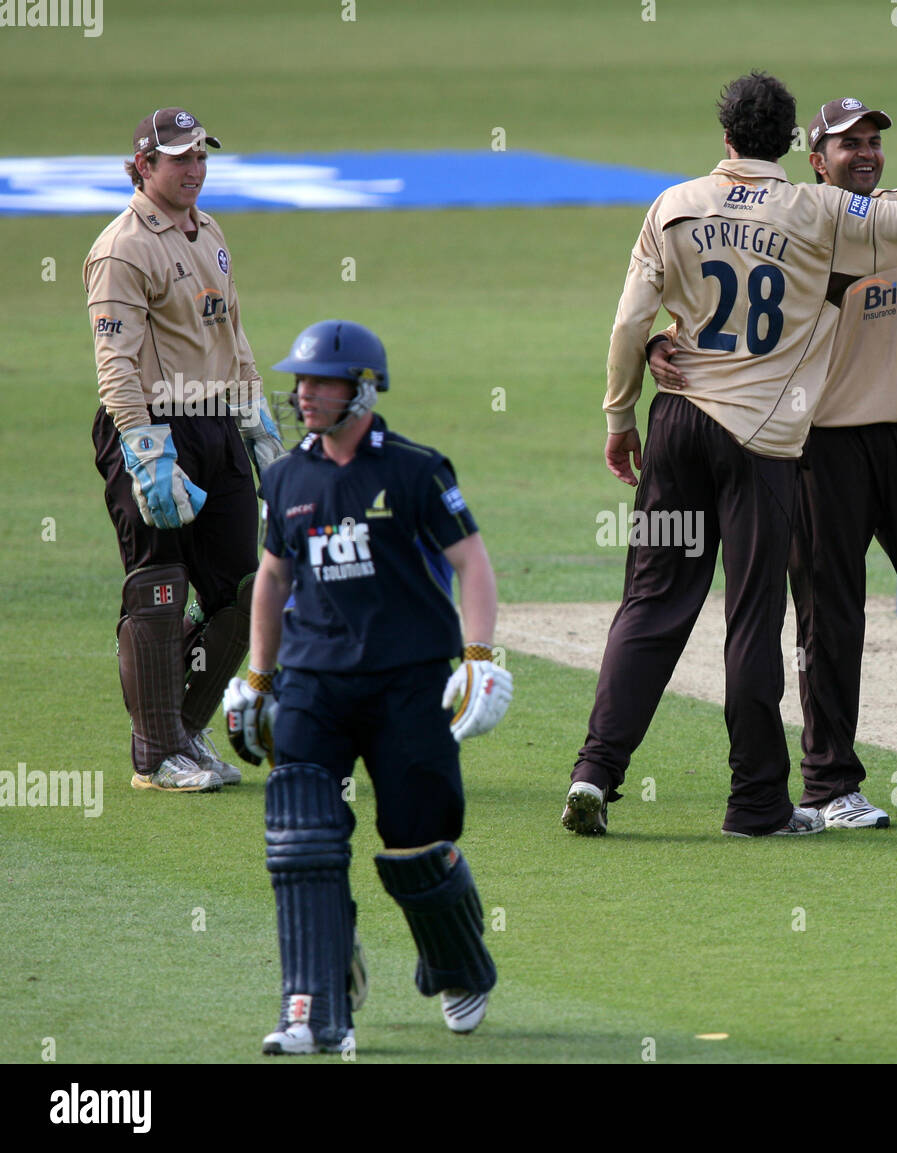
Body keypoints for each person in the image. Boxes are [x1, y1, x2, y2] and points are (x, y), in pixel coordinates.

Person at [562, 70, 897, 838]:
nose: (865, 154)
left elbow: (635, 323)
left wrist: (625, 405)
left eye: (873, 142)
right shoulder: (821, 217)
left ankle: (597, 769)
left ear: (727, 138)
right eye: (847, 143)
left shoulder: (688, 206)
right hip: (783, 443)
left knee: (657, 603)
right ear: (805, 151)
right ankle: (788, 792)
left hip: (713, 426)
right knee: (782, 619)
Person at [223, 319, 513, 1054]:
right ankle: (317, 994)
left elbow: (472, 561)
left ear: (363, 390)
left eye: (319, 382)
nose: (303, 394)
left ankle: (458, 965)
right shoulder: (287, 474)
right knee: (300, 837)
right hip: (314, 683)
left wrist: (478, 654)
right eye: (300, 382)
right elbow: (274, 578)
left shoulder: (416, 470)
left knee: (417, 840)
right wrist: (259, 675)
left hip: (408, 682)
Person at [86, 107, 284, 793]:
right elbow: (114, 363)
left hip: (216, 425)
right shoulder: (121, 248)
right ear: (143, 166)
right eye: (180, 159)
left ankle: (183, 732)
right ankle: (155, 754)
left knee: (243, 590)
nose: (195, 170)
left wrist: (256, 420)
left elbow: (233, 333)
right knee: (159, 587)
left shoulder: (211, 231)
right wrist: (143, 447)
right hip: (152, 426)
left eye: (201, 157)